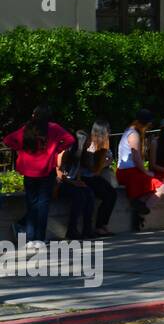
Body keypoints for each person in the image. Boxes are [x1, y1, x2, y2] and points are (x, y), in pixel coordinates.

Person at [3, 106, 75, 249]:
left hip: (29, 171)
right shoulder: (54, 128)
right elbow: (70, 139)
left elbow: (7, 140)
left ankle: (29, 239)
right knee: (43, 205)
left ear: (34, 115)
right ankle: (40, 239)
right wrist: (57, 150)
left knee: (31, 204)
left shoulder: (26, 129)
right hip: (46, 172)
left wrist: (20, 149)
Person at [116, 110, 164, 231]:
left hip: (125, 172)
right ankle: (140, 212)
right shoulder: (134, 134)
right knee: (162, 188)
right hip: (129, 172)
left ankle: (138, 212)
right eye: (148, 125)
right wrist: (145, 172)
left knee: (149, 190)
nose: (149, 127)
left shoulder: (128, 131)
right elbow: (136, 156)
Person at [78, 120, 118, 237]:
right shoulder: (91, 145)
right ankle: (99, 227)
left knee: (112, 194)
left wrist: (105, 161)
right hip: (86, 177)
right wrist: (104, 162)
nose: (110, 132)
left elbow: (109, 159)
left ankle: (103, 225)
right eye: (108, 130)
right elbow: (91, 167)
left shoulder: (104, 143)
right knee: (107, 195)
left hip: (94, 176)